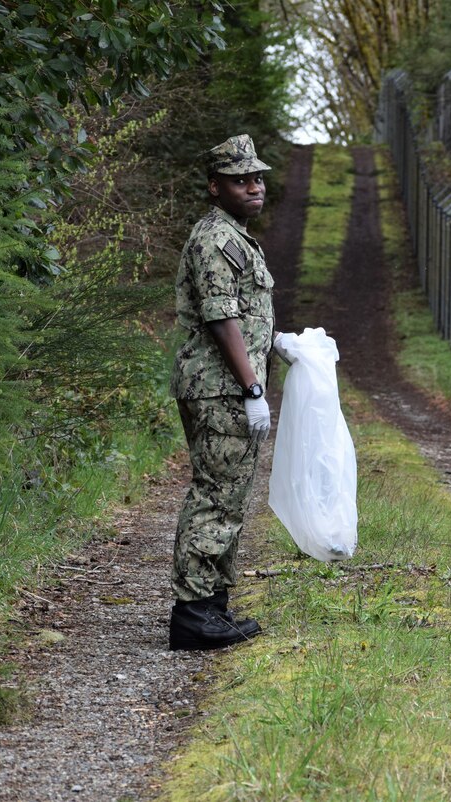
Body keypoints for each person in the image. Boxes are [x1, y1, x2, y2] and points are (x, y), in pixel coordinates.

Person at [167, 133, 295, 651]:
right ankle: (193, 614)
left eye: (258, 178)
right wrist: (253, 386)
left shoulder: (234, 236)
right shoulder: (216, 239)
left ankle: (212, 605)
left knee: (230, 495)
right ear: (215, 187)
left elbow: (242, 312)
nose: (253, 187)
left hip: (225, 387)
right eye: (241, 180)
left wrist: (276, 342)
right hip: (219, 389)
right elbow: (221, 319)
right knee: (216, 496)